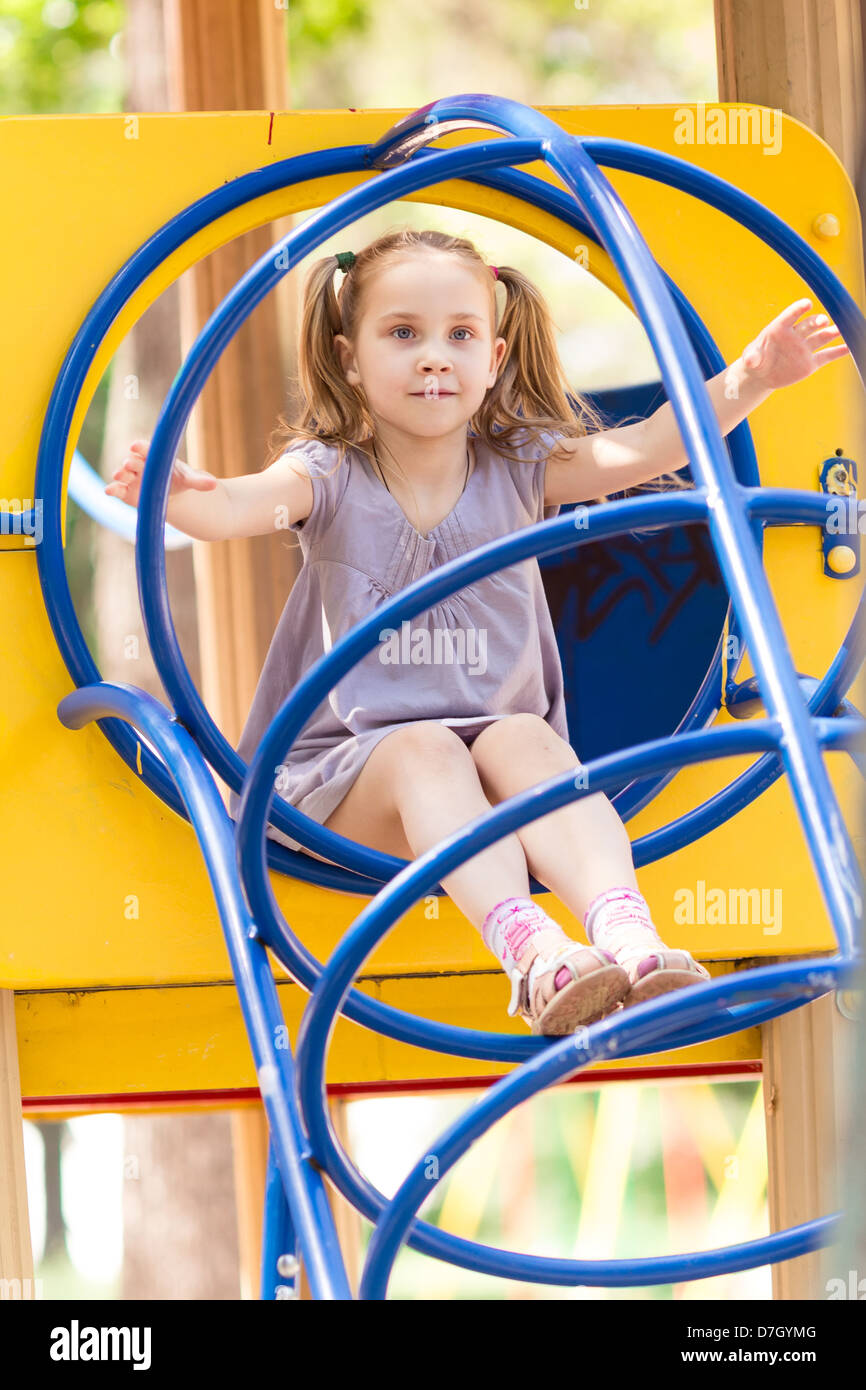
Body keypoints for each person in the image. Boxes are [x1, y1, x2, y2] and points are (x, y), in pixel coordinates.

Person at [107, 227, 848, 1037]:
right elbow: (238, 506)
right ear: (351, 358)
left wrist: (753, 378)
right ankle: (531, 954)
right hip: (342, 784)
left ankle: (627, 933)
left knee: (523, 739)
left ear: (493, 360)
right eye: (403, 334)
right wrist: (177, 497)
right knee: (428, 748)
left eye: (459, 335)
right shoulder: (329, 474)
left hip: (485, 779)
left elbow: (641, 448)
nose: (434, 357)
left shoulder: (518, 467)